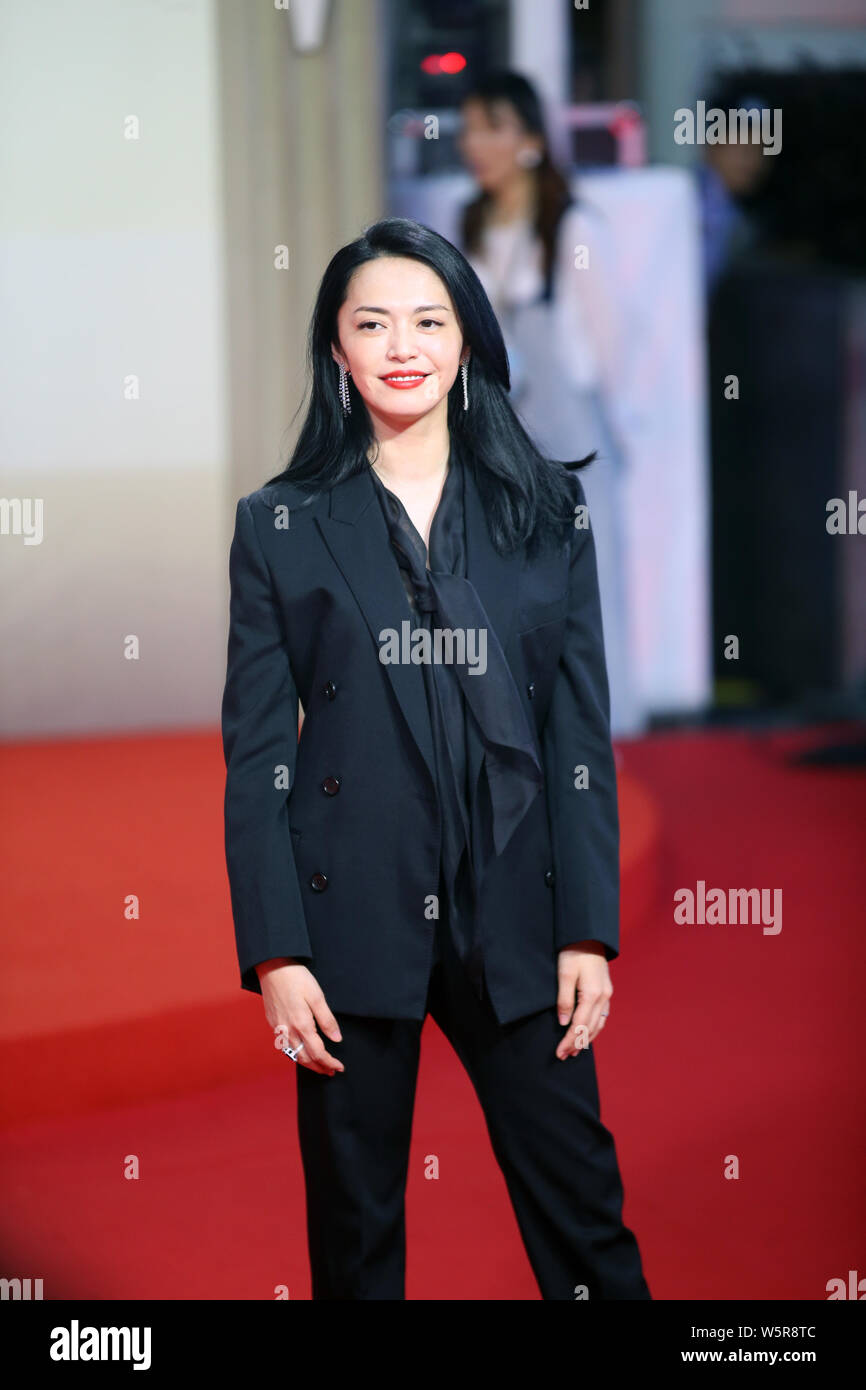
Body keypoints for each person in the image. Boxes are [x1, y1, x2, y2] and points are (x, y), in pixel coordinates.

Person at [221, 215, 651, 1301]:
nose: (402, 346)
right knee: (355, 1238)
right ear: (336, 347)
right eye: (372, 324)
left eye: (428, 320)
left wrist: (586, 928)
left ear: (467, 340)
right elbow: (258, 757)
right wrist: (276, 953)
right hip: (350, 913)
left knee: (584, 1221)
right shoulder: (280, 525)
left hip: (517, 908)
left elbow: (576, 733)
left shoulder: (544, 510)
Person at [457, 70, 640, 736]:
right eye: (469, 129)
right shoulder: (473, 225)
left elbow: (611, 346)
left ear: (531, 139)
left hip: (568, 433)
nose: (475, 144)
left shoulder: (573, 227)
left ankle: (596, 734)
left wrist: (621, 432)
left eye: (492, 128)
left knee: (585, 581)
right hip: (497, 434)